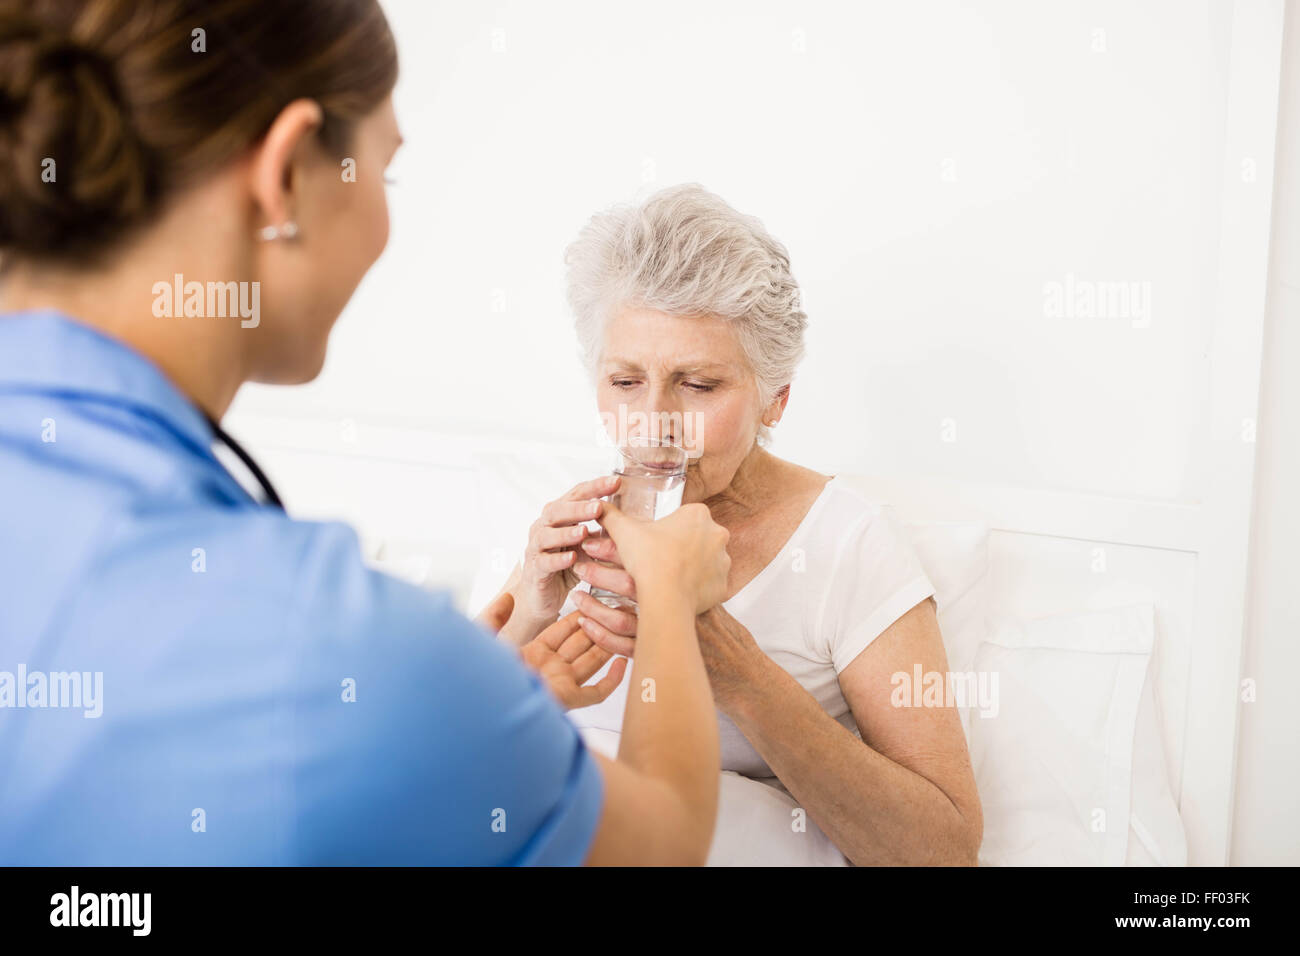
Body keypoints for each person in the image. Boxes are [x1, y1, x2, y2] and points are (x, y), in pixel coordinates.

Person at [0, 0, 730, 866]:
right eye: (384, 174)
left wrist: (457, 724)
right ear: (286, 176)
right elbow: (664, 838)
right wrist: (674, 593)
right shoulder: (331, 643)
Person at [491, 184, 983, 865]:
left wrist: (737, 674)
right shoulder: (577, 530)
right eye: (626, 381)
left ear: (775, 399)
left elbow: (944, 850)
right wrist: (527, 615)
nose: (653, 421)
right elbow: (448, 755)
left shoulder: (848, 546)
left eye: (698, 385)